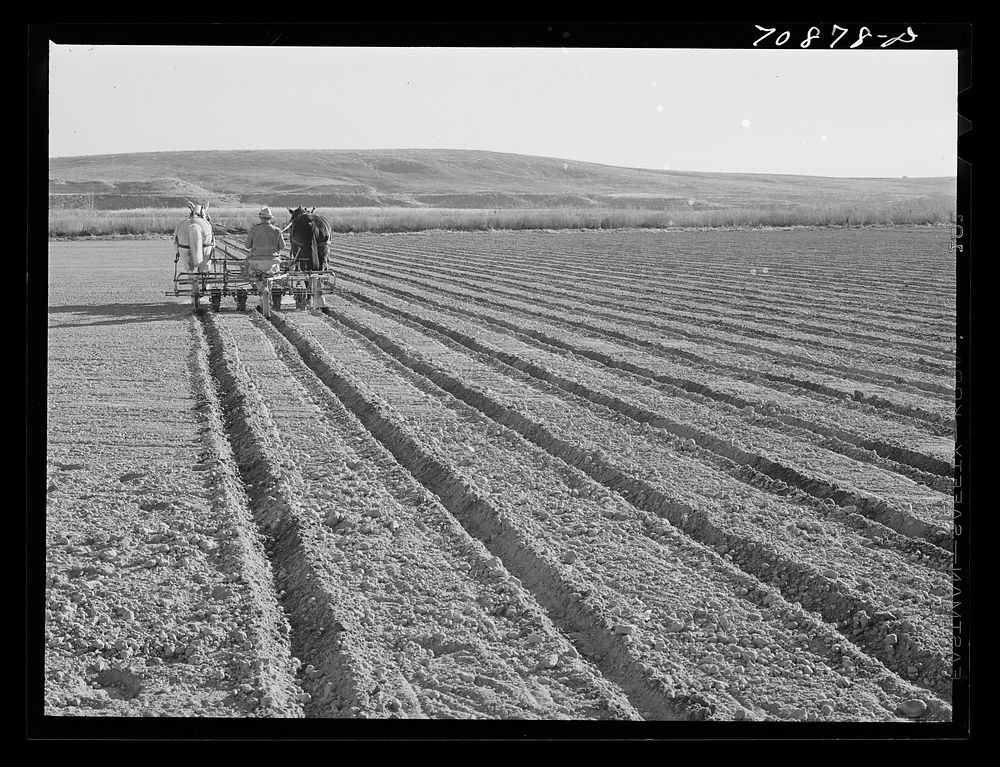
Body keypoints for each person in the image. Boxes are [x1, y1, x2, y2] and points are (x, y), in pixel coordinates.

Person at [243, 206, 286, 286]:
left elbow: (247, 246)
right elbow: (282, 246)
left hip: (256, 263)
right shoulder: (277, 230)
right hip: (273, 263)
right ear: (270, 218)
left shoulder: (254, 229)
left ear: (260, 218)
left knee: (246, 264)